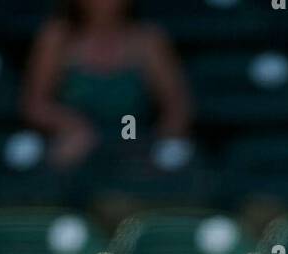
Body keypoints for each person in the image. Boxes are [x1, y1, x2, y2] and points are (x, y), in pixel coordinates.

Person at [21, 0, 191, 170]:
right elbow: (35, 104)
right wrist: (71, 126)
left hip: (132, 139)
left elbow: (177, 107)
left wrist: (156, 145)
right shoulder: (56, 37)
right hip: (72, 142)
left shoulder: (149, 39)